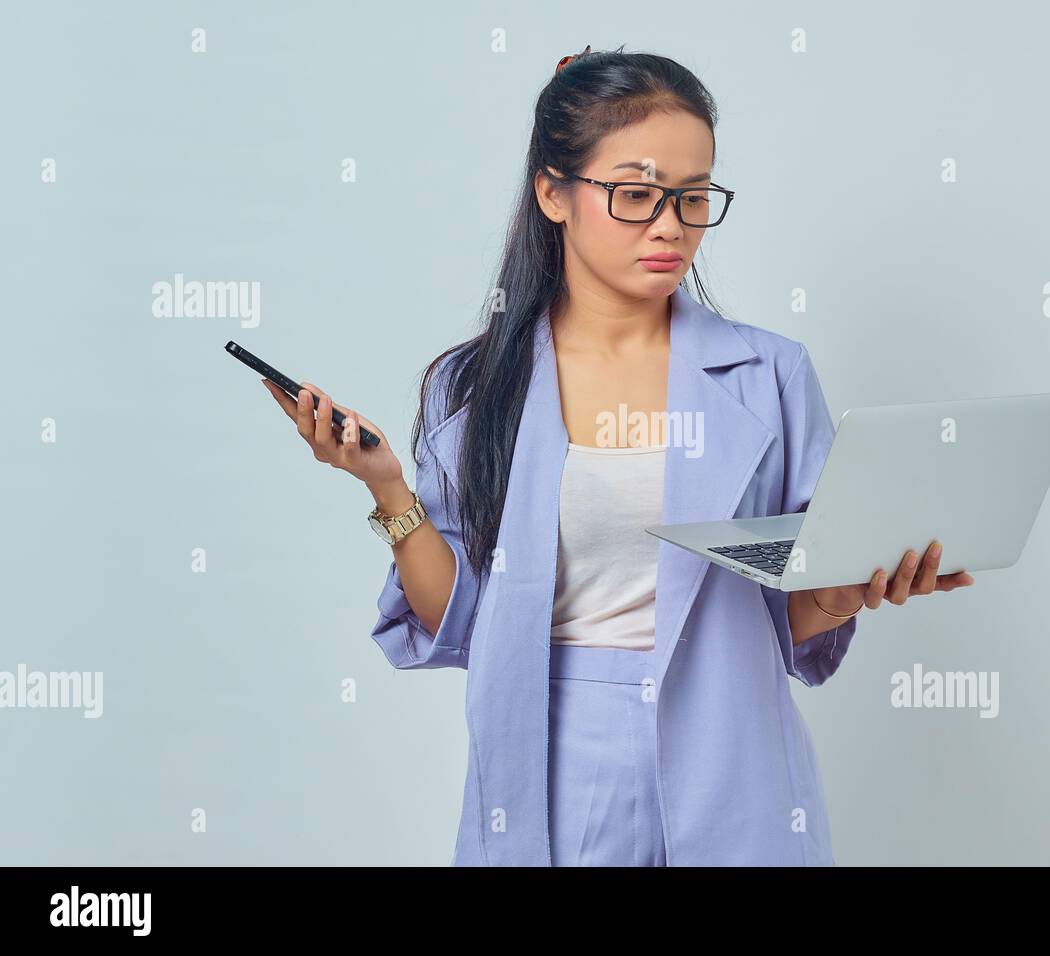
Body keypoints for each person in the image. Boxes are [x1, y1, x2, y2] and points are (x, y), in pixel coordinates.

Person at [261, 45, 973, 866]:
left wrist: (848, 590)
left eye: (694, 197)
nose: (671, 225)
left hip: (732, 753)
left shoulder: (771, 374)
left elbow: (788, 621)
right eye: (636, 195)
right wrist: (384, 486)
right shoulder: (477, 384)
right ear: (552, 192)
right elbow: (454, 619)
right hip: (553, 760)